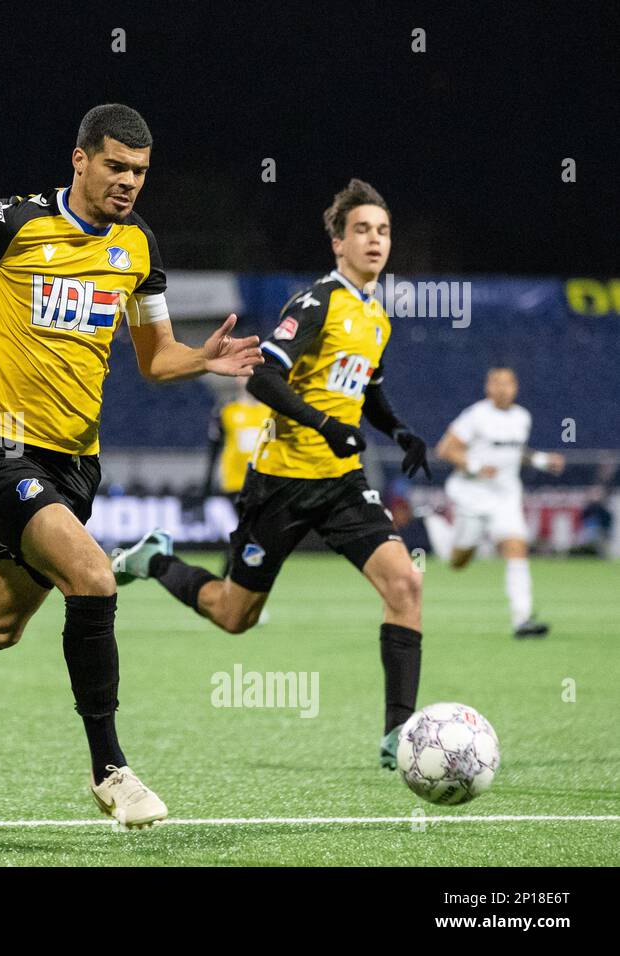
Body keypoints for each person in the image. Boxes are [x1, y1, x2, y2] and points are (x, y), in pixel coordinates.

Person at [0, 104, 262, 827]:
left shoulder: (137, 248)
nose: (129, 182)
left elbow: (156, 357)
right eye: (116, 167)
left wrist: (202, 359)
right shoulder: (11, 221)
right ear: (80, 160)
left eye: (140, 172)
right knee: (94, 577)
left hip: (76, 466)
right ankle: (112, 772)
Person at [114, 179, 431, 770]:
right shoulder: (319, 302)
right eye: (361, 229)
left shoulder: (375, 317)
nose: (374, 240)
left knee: (405, 585)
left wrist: (400, 430)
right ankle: (154, 559)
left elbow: (370, 390)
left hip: (341, 484)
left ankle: (400, 735)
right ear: (338, 242)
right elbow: (260, 377)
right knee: (235, 616)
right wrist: (322, 424)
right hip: (280, 483)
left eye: (383, 231)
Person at [433, 367, 564, 637]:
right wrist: (475, 465)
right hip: (472, 494)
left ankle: (522, 619)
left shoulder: (522, 417)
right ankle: (439, 530)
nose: (502, 389)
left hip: (505, 496)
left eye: (507, 383)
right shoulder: (475, 415)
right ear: (487, 387)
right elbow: (445, 449)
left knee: (516, 547)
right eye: (496, 383)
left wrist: (541, 460)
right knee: (458, 561)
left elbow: (515, 452)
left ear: (515, 387)